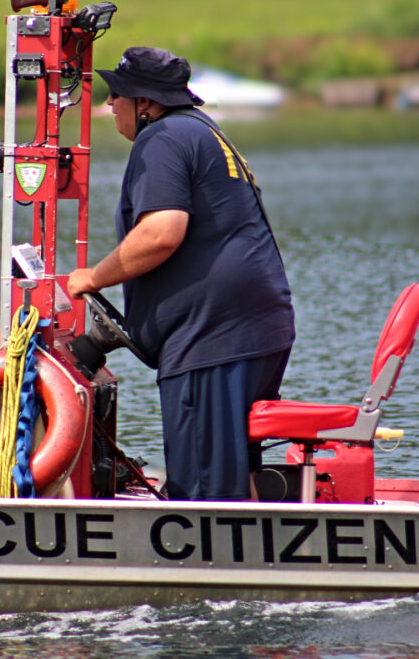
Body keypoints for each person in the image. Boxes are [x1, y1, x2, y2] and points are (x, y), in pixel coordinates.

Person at [67, 47, 294, 501]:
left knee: (205, 490)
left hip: (212, 338)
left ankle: (216, 567)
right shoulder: (204, 131)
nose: (110, 104)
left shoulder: (164, 137)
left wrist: (92, 278)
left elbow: (160, 233)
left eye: (118, 95)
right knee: (230, 469)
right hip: (255, 329)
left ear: (146, 104)